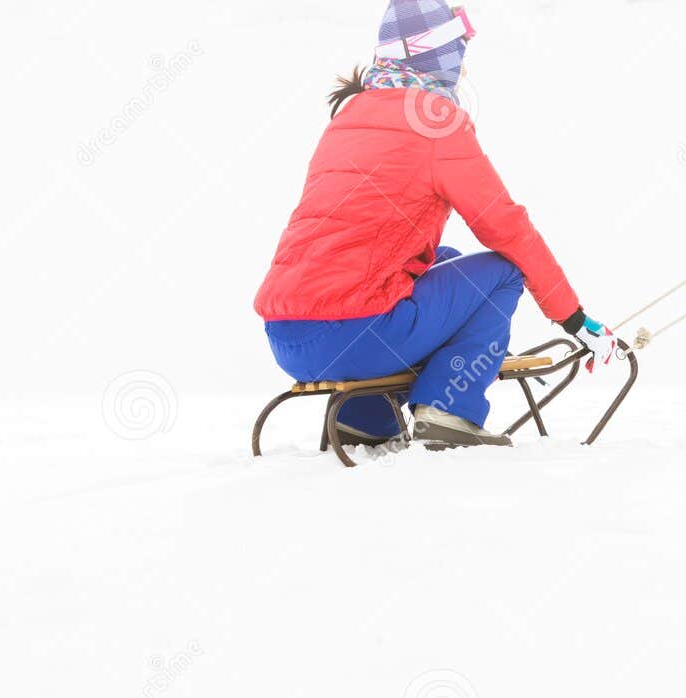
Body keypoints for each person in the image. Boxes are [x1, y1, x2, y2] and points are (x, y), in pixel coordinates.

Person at [254, 2, 618, 450]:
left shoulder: (349, 117)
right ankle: (449, 408)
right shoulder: (435, 123)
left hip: (287, 338)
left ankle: (366, 418)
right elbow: (507, 227)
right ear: (437, 57)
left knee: (439, 264)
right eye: (459, 53)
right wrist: (573, 318)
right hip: (353, 335)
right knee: (501, 271)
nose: (462, 70)